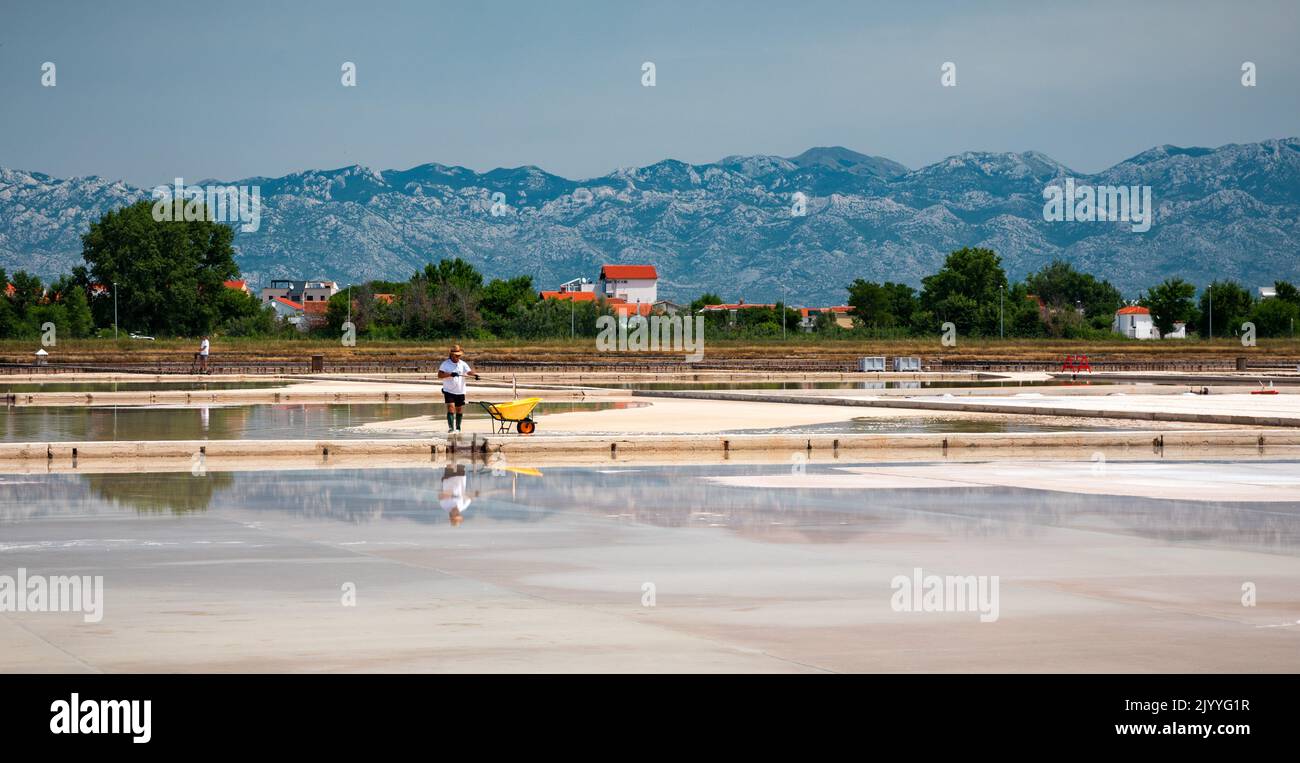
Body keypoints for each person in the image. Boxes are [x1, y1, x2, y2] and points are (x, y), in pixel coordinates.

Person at [437, 344, 480, 433]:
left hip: (460, 390)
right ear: (452, 355)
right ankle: (451, 428)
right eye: (456, 355)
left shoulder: (462, 364)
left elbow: (468, 372)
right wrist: (450, 374)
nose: (458, 357)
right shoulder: (445, 364)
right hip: (449, 390)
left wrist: (475, 375)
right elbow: (440, 375)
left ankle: (458, 427)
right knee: (451, 407)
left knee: (459, 409)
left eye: (459, 355)